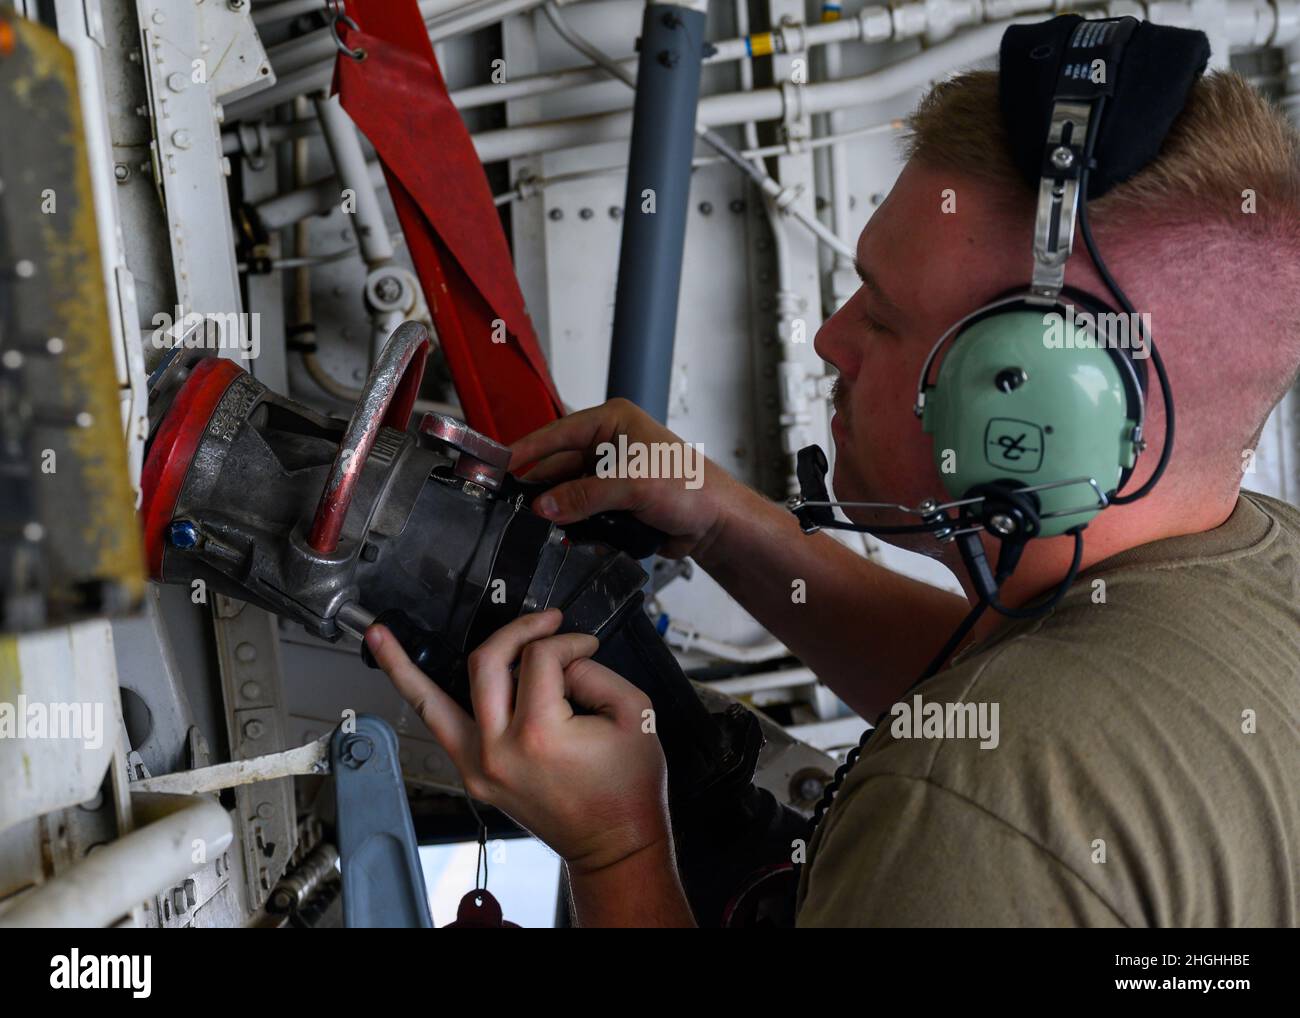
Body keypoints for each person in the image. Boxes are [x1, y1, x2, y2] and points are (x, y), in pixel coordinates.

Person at [364, 67, 1300, 927]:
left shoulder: (975, 822)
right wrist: (725, 520)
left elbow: (1007, 755)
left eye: (883, 317)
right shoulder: (1253, 565)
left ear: (1048, 406)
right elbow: (1006, 684)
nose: (830, 341)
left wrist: (618, 849)